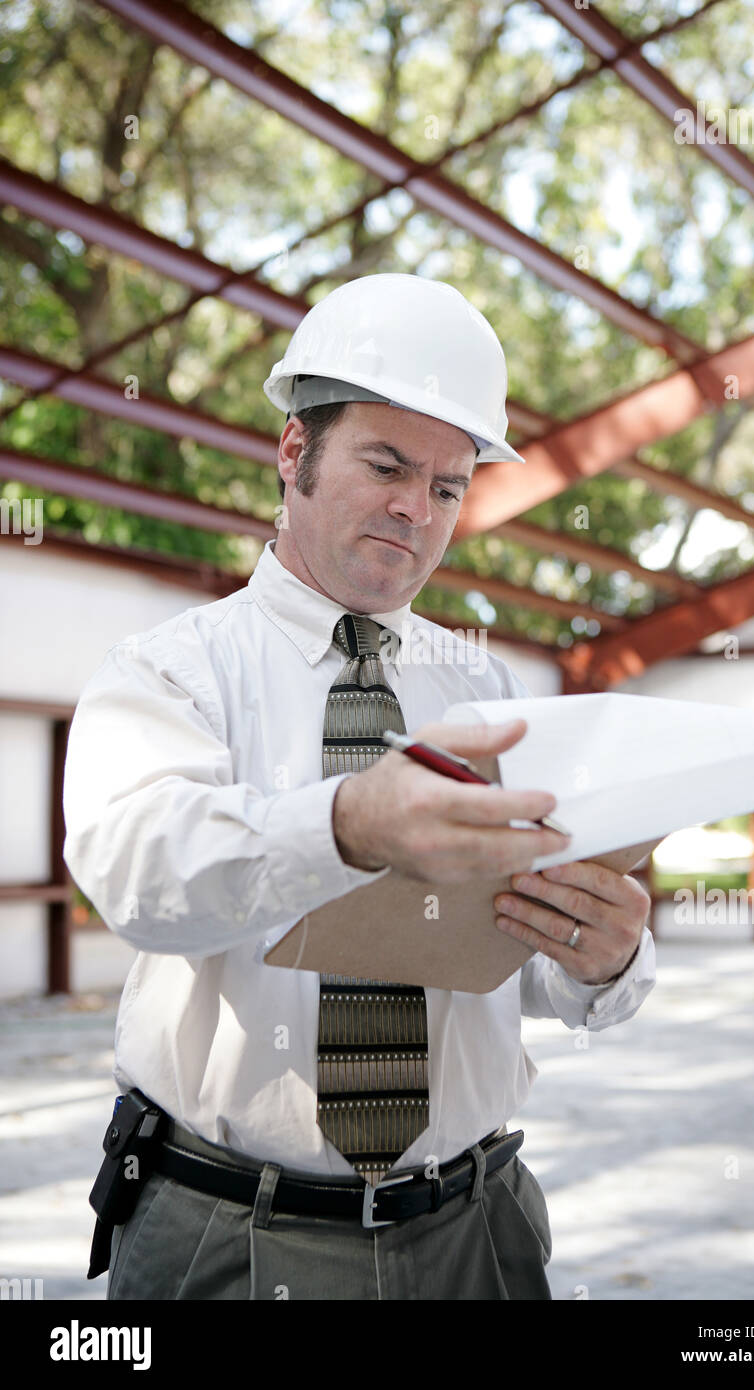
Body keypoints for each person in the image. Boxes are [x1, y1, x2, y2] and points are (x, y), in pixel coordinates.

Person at [63, 272, 656, 1301]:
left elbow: (522, 960)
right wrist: (345, 825)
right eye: (385, 464)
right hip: (231, 1237)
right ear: (294, 452)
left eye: (446, 485)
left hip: (476, 1230)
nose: (412, 509)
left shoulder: (489, 689)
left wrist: (602, 960)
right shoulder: (168, 671)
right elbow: (139, 871)